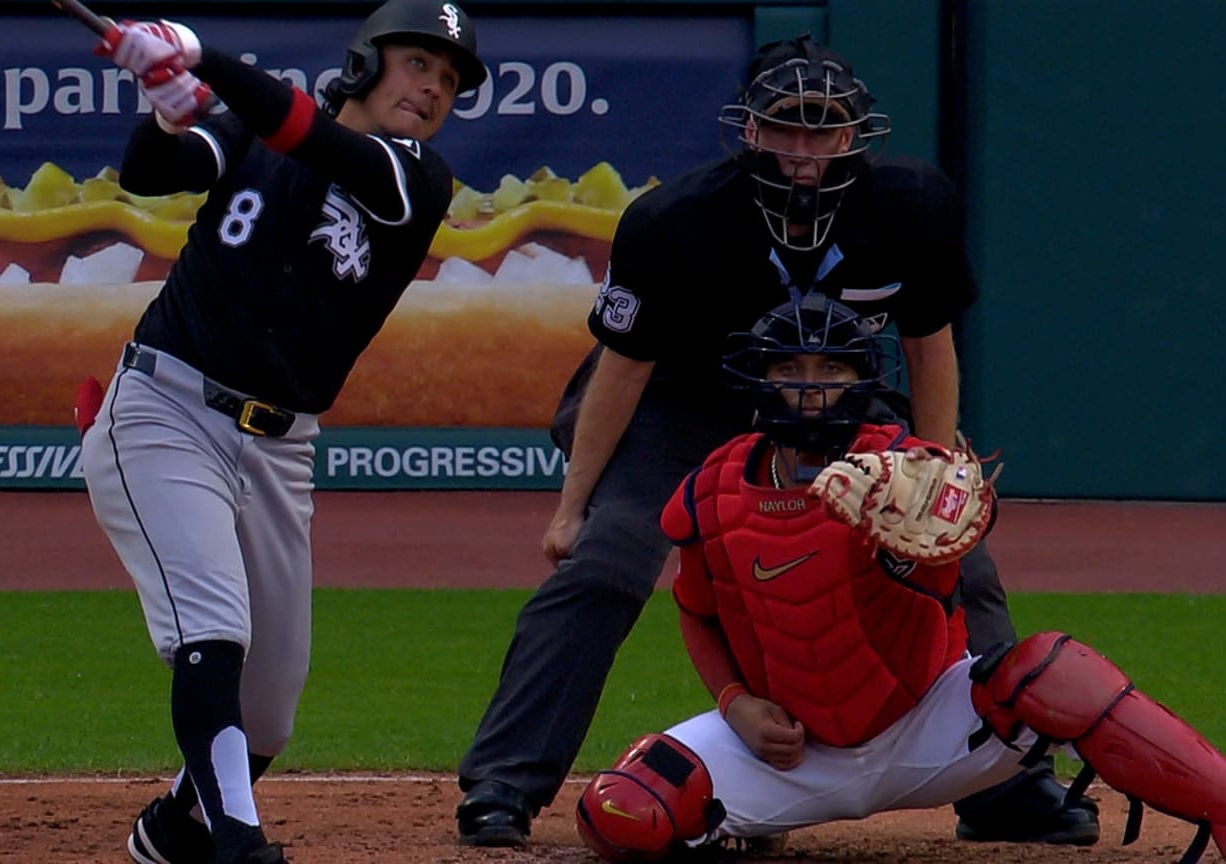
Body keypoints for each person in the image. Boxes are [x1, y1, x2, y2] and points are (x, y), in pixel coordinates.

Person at [454, 32, 1097, 848]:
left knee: (961, 563)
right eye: (785, 127)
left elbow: (930, 346)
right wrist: (571, 508)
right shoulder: (672, 220)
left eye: (822, 129)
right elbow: (621, 370)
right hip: (683, 407)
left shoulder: (911, 204)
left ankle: (1005, 785)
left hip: (838, 408)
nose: (804, 149)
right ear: (748, 129)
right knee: (607, 562)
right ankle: (505, 783)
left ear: (855, 134)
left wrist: (936, 477)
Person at [573, 295, 1226, 864]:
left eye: (830, 370)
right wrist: (734, 705)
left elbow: (951, 541)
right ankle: (748, 827)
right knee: (619, 812)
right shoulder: (712, 488)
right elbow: (698, 614)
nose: (809, 387)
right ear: (758, 379)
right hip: (788, 750)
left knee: (1049, 666)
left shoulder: (902, 468)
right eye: (790, 369)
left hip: (930, 729)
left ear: (860, 379)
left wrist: (911, 525)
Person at [77, 3, 484, 863]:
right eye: (418, 64)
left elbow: (313, 139)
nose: (433, 88)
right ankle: (238, 840)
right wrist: (164, 100)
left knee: (269, 710)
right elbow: (151, 173)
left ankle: (171, 830)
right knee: (213, 630)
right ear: (367, 64)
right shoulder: (253, 133)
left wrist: (198, 54)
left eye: (448, 80)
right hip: (165, 406)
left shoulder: (417, 175)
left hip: (281, 444)